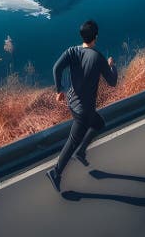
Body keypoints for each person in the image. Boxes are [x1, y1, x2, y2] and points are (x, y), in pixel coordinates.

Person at [46, 19, 118, 192]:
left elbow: (56, 68)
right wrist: (112, 66)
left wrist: (59, 90)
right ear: (96, 37)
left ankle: (81, 151)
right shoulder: (98, 57)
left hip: (72, 101)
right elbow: (113, 82)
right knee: (72, 142)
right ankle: (55, 173)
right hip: (83, 111)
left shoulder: (72, 51)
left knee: (99, 123)